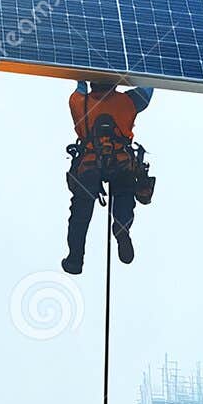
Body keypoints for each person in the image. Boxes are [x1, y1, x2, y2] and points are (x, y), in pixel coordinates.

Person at [62, 80, 156, 275]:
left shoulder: (79, 103)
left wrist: (81, 77)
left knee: (81, 213)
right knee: (124, 194)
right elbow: (148, 87)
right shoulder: (128, 102)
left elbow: (79, 86)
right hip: (121, 163)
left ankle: (75, 258)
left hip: (89, 166)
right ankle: (122, 229)